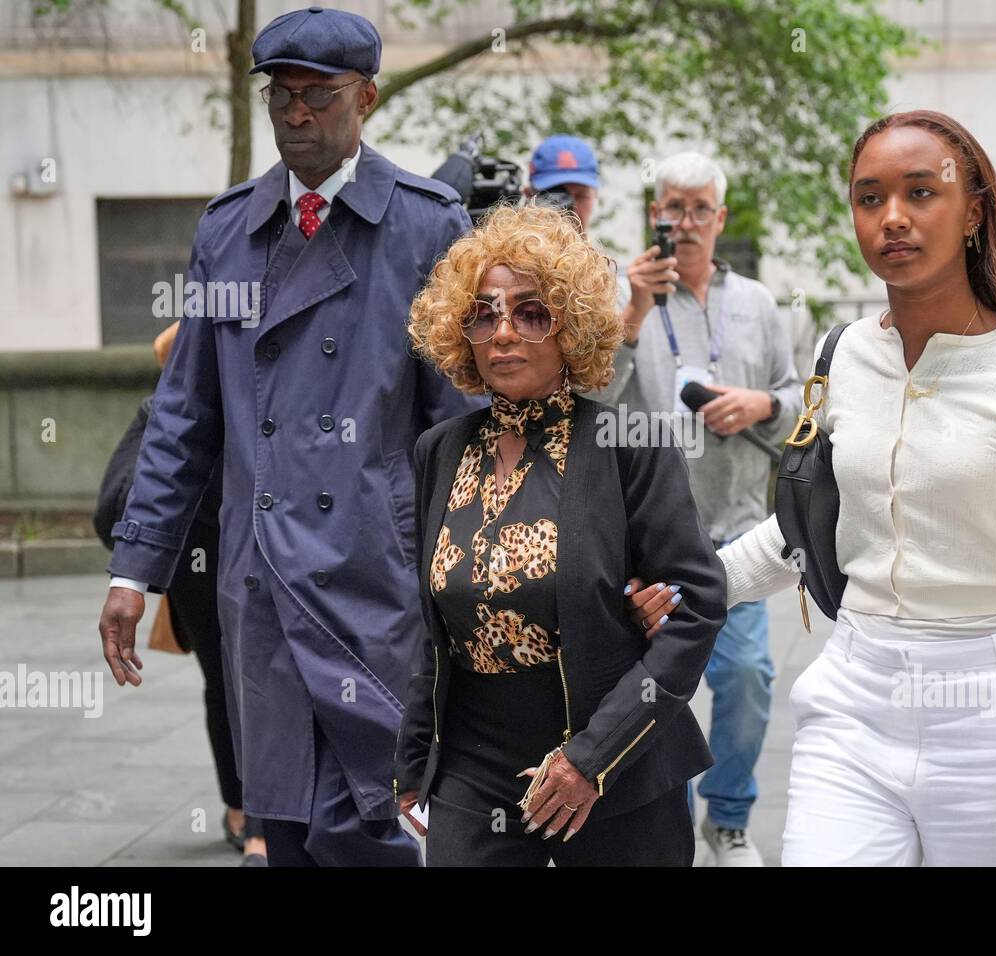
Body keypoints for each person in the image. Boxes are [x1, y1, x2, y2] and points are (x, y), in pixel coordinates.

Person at [670, 109, 996, 866]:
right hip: (855, 700)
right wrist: (688, 590)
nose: (893, 218)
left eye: (920, 193)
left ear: (973, 212)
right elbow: (812, 525)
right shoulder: (842, 354)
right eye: (870, 198)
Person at [96, 6, 475, 867]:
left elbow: (459, 428)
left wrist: (474, 579)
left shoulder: (427, 226)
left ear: (367, 99)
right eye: (282, 97)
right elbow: (184, 414)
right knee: (288, 824)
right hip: (261, 584)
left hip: (376, 581)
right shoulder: (228, 231)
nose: (297, 116)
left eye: (319, 96)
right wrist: (135, 567)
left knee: (373, 823)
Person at [395, 203, 726, 865]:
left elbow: (696, 605)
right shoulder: (440, 450)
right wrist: (412, 758)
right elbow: (431, 624)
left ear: (570, 324)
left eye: (530, 312)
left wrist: (590, 760)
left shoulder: (628, 443)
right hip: (474, 763)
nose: (503, 332)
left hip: (616, 759)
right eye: (482, 314)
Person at [594, 151, 800, 865]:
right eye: (669, 208)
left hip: (740, 524)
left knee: (746, 676)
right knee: (663, 692)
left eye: (695, 209)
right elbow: (595, 402)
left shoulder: (759, 304)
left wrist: (763, 404)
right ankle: (672, 824)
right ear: (654, 214)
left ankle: (731, 816)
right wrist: (633, 310)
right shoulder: (622, 294)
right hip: (651, 535)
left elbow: (803, 401)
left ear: (720, 218)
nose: (681, 223)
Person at [93, 321, 266, 866]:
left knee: (238, 680)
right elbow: (113, 507)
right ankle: (249, 814)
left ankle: (252, 812)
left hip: (232, 559)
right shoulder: (167, 416)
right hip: (203, 563)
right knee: (233, 681)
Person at [523, 135, 600, 233]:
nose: (571, 208)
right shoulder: (502, 245)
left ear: (595, 196)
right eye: (557, 195)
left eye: (581, 196)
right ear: (528, 195)